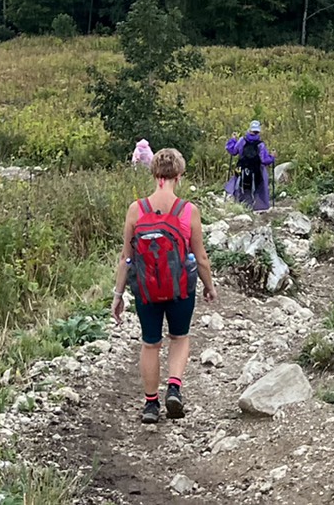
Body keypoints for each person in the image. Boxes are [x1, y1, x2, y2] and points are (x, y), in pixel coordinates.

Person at [111, 146, 217, 424]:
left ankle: (150, 405)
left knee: (150, 344)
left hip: (145, 289)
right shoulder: (188, 210)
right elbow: (201, 257)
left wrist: (118, 294)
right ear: (179, 176)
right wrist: (209, 286)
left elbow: (126, 257)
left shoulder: (136, 210)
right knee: (179, 337)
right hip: (180, 288)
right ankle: (174, 387)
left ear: (154, 173)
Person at [226, 120, 275, 211]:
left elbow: (233, 151)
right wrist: (272, 156)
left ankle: (239, 204)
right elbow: (264, 160)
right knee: (259, 184)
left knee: (238, 184)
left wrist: (233, 139)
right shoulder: (260, 145)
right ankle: (256, 205)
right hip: (256, 172)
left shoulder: (242, 141)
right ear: (258, 132)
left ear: (249, 130)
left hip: (241, 169)